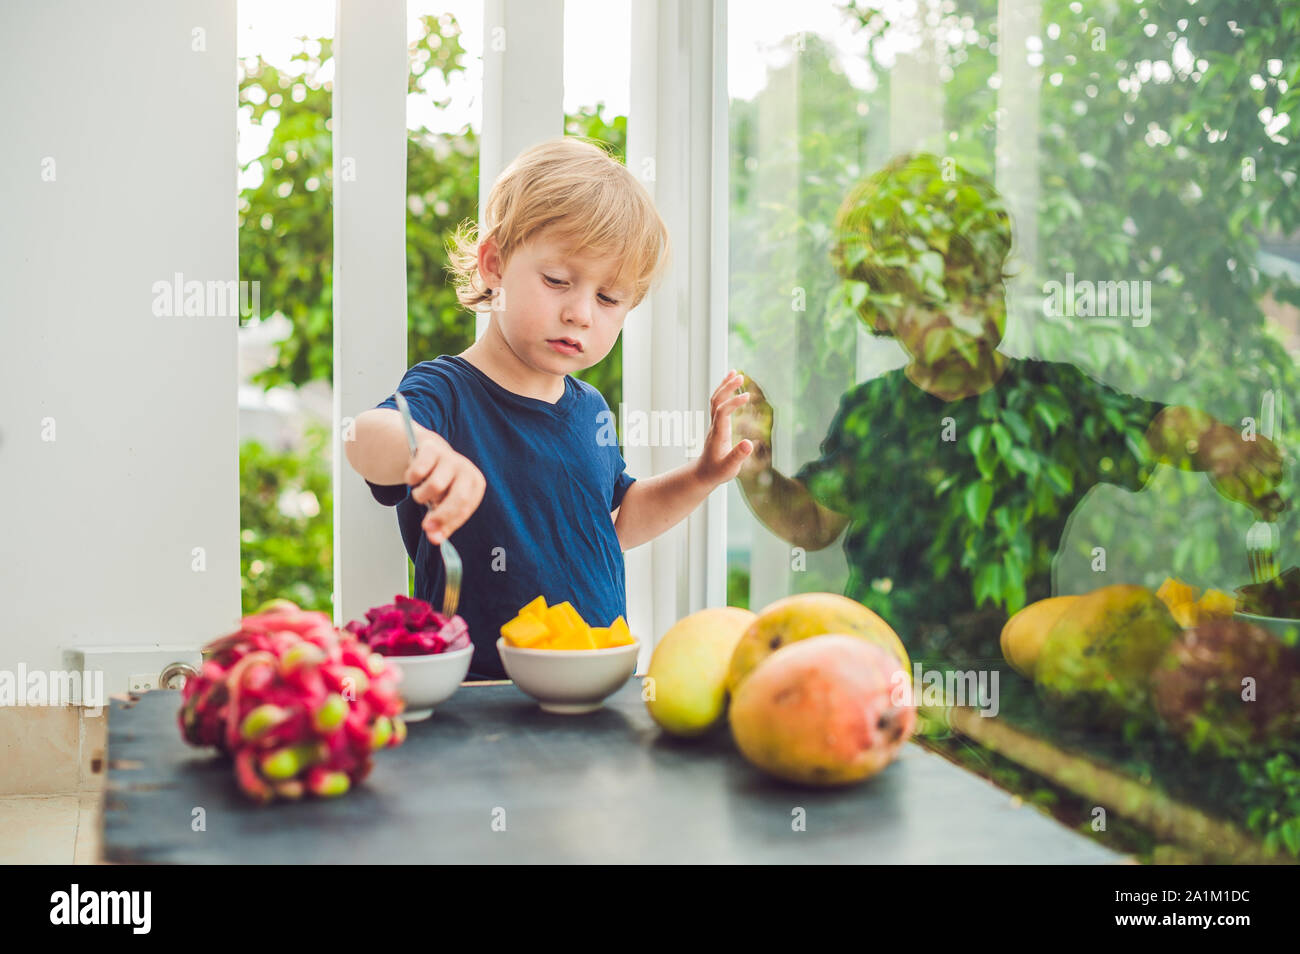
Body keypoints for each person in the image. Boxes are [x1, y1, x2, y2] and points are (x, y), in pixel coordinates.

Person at [733, 153, 1285, 663]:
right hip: (881, 677)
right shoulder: (872, 413)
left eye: (983, 286)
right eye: (936, 299)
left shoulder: (1054, 399)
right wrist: (755, 464)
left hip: (1017, 684)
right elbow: (809, 523)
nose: (969, 313)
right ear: (877, 312)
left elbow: (1155, 426)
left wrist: (1218, 446)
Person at [345, 137, 755, 679]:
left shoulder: (591, 410)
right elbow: (366, 436)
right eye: (558, 281)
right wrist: (427, 452)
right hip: (478, 698)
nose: (581, 313)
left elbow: (619, 522)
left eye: (610, 299)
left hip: (594, 684)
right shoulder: (446, 391)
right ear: (494, 264)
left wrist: (701, 476)